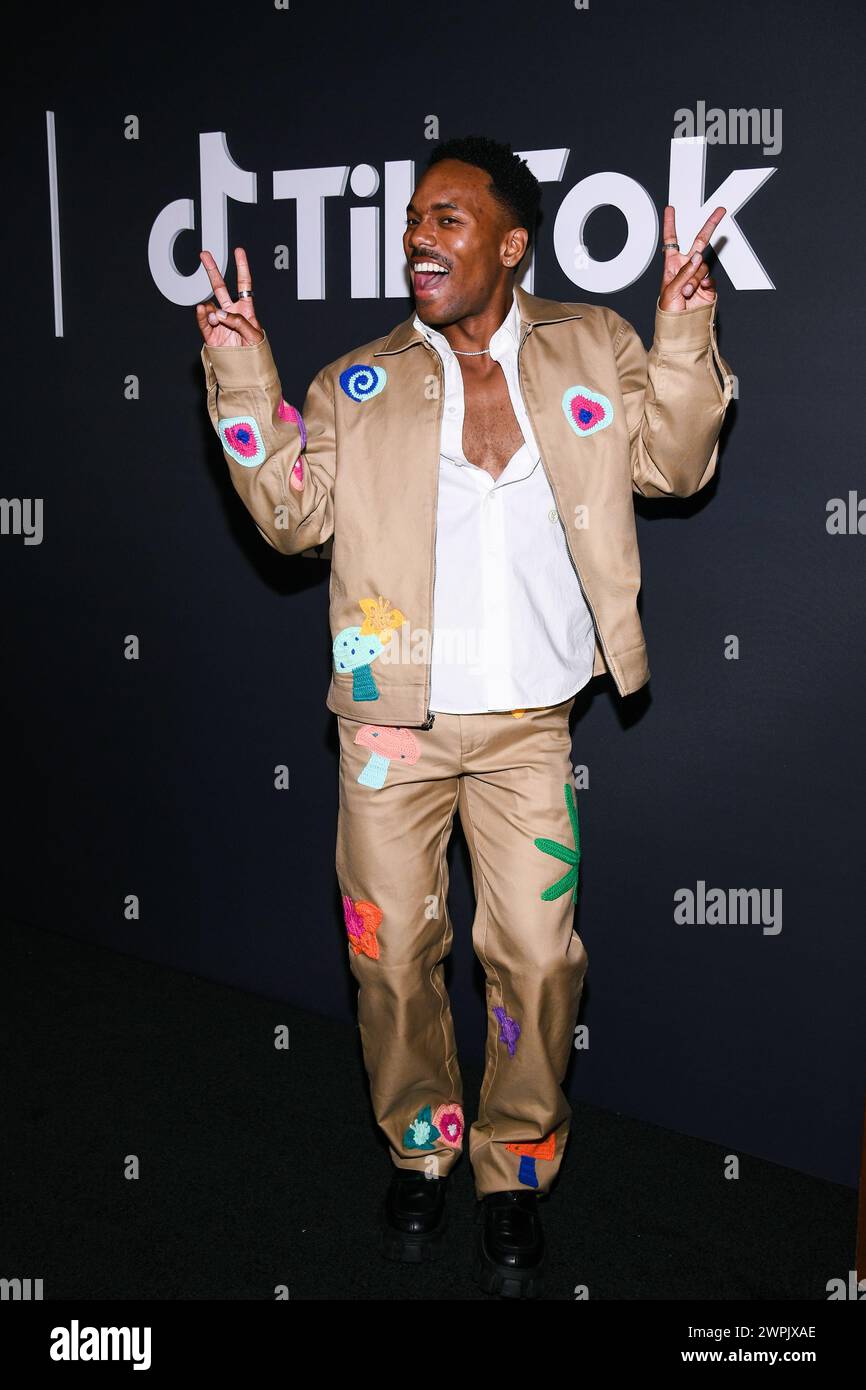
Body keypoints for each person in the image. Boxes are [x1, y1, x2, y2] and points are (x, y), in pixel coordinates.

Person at [196, 134, 734, 1299]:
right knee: (389, 958)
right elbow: (290, 519)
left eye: (447, 218)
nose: (418, 238)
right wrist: (244, 374)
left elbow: (677, 465)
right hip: (386, 726)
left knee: (535, 962)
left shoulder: (592, 342)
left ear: (508, 241)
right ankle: (420, 1144)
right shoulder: (358, 380)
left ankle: (513, 1165)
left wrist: (684, 332)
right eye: (411, 220)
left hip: (529, 726)